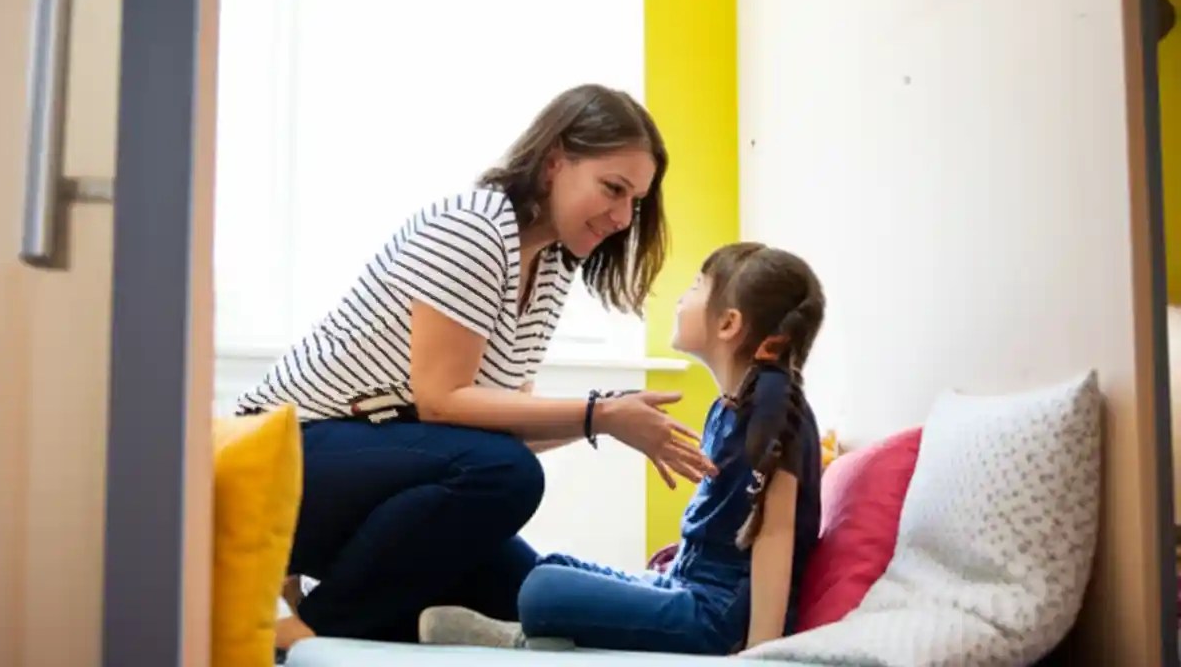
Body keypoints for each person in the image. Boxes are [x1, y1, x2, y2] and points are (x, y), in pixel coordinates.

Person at [232, 84, 718, 649]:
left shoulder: (552, 264)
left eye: (634, 201)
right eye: (613, 188)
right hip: (284, 460)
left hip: (366, 468)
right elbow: (442, 400)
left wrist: (607, 419)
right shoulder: (477, 227)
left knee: (528, 590)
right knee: (508, 478)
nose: (621, 217)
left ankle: (343, 614)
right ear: (555, 161)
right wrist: (600, 415)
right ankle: (311, 635)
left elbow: (503, 430)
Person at [418, 242, 827, 655]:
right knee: (552, 567)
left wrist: (759, 651)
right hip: (686, 586)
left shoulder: (775, 402)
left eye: (695, 287)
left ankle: (521, 639)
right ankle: (547, 630)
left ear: (728, 324)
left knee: (543, 588)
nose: (682, 297)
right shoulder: (732, 405)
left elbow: (776, 532)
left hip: (716, 616)